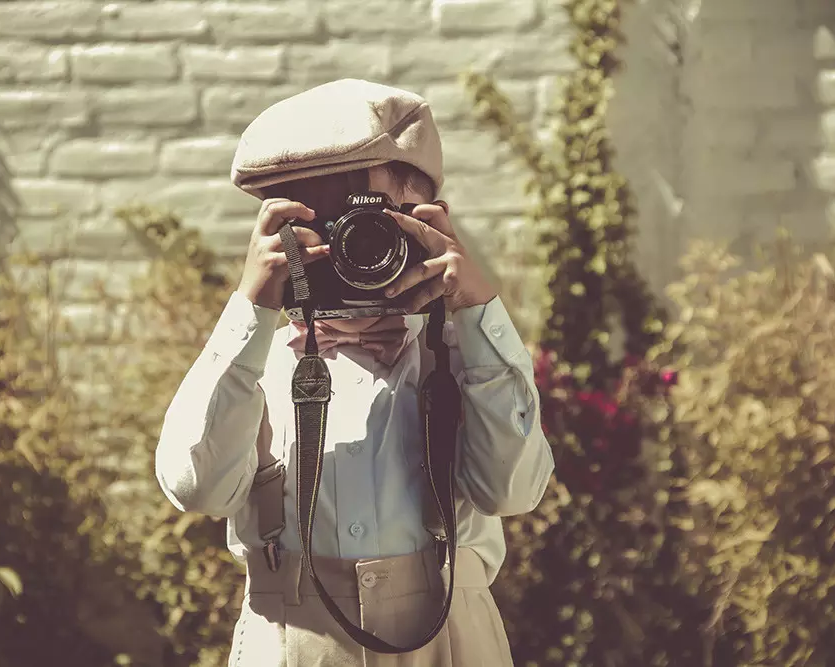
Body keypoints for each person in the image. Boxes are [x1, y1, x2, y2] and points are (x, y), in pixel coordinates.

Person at [155, 78, 554, 667]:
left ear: (428, 217)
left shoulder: (466, 356)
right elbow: (195, 487)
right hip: (291, 638)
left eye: (375, 225)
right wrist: (249, 309)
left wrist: (476, 311)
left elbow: (513, 491)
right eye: (324, 225)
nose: (352, 246)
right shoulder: (251, 358)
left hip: (451, 637)